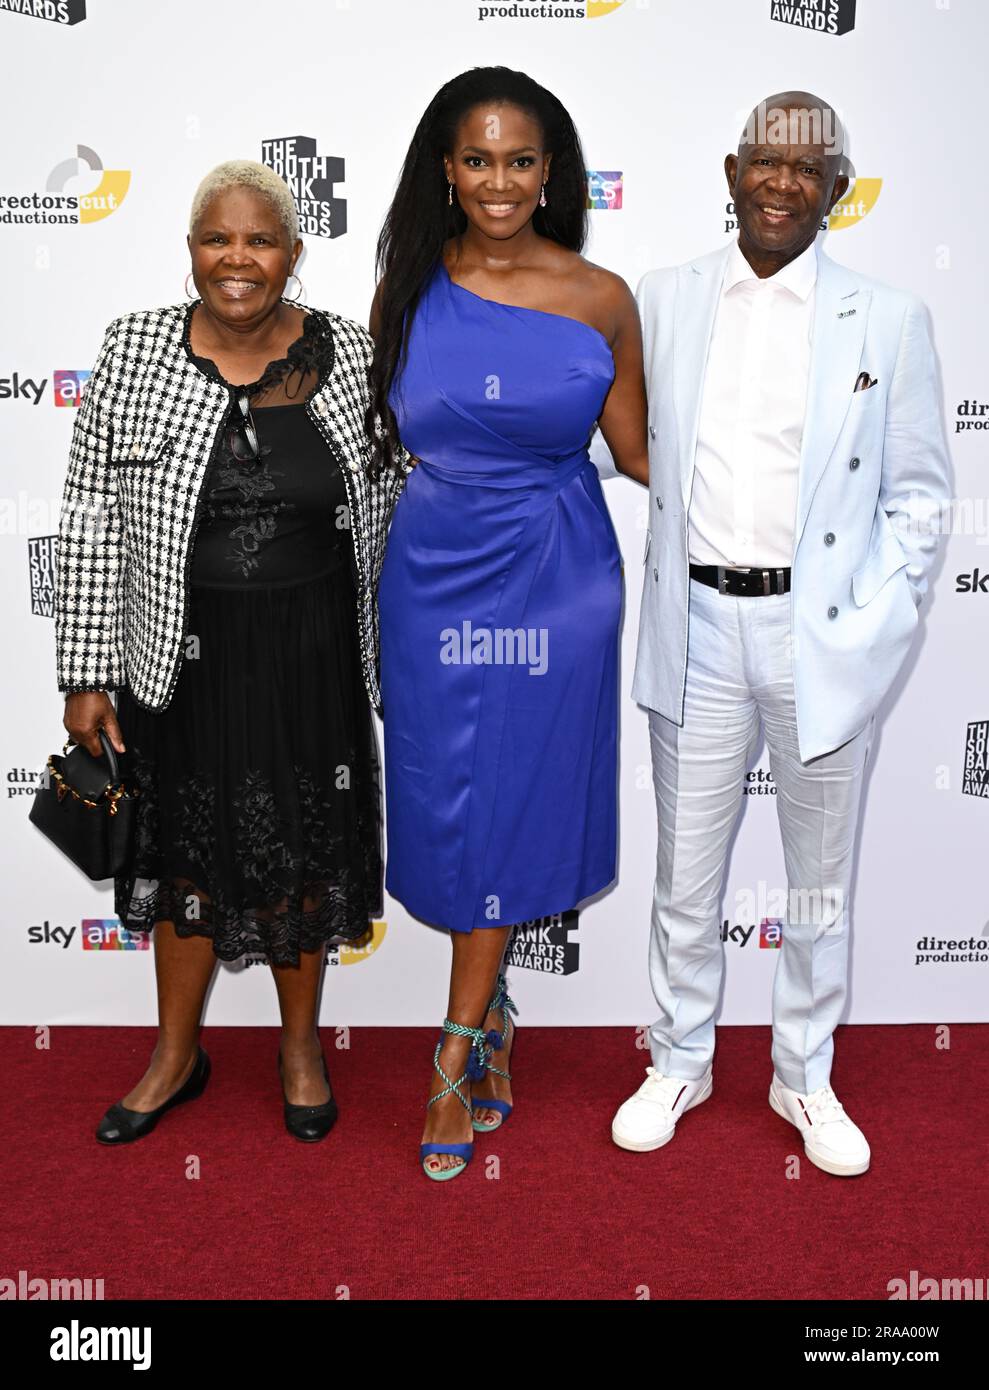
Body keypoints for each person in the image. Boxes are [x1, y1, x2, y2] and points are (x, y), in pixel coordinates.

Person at [592, 91, 951, 1176]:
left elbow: (922, 497)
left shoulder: (885, 320)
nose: (782, 181)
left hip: (819, 637)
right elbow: (607, 439)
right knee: (684, 877)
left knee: (816, 884)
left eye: (808, 166)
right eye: (764, 159)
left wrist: (872, 624)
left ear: (836, 188)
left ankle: (802, 1073)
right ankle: (679, 1057)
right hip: (691, 624)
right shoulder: (659, 299)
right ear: (731, 170)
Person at [55, 159, 407, 1145]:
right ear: (192, 253)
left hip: (311, 655)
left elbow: (393, 495)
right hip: (176, 656)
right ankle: (176, 1053)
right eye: (218, 239)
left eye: (259, 241)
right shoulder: (132, 351)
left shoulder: (347, 350)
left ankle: (299, 1048)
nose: (237, 258)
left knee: (298, 852)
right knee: (180, 859)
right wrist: (85, 672)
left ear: (292, 257)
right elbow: (86, 520)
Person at [368, 66, 649, 1180]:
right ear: (446, 168)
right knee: (445, 803)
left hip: (555, 574)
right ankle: (490, 1019)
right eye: (476, 159)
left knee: (510, 801)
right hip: (431, 571)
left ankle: (454, 1045)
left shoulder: (600, 296)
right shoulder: (405, 283)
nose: (498, 181)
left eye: (519, 160)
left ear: (550, 172)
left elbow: (637, 456)